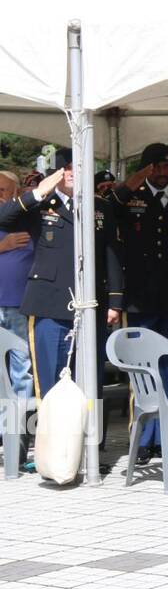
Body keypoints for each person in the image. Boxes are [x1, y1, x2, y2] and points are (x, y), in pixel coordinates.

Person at [0, 148, 124, 401]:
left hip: (91, 303)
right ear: (56, 173)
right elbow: (3, 218)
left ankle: (93, 440)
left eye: (78, 167)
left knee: (91, 383)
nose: (72, 173)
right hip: (50, 305)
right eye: (66, 168)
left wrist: (115, 300)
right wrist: (37, 192)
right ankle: (53, 440)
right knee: (50, 383)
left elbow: (112, 252)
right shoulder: (39, 204)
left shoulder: (100, 206)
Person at [111, 142, 168, 464]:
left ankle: (165, 437)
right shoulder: (130, 197)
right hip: (140, 299)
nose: (163, 174)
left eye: (167, 168)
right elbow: (108, 208)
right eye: (157, 168)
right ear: (146, 169)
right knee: (142, 369)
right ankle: (143, 438)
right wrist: (132, 181)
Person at [0, 170, 35, 470]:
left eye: (3, 190)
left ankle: (18, 439)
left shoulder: (27, 218)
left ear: (16, 192)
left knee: (21, 375)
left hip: (19, 308)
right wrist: (3, 245)